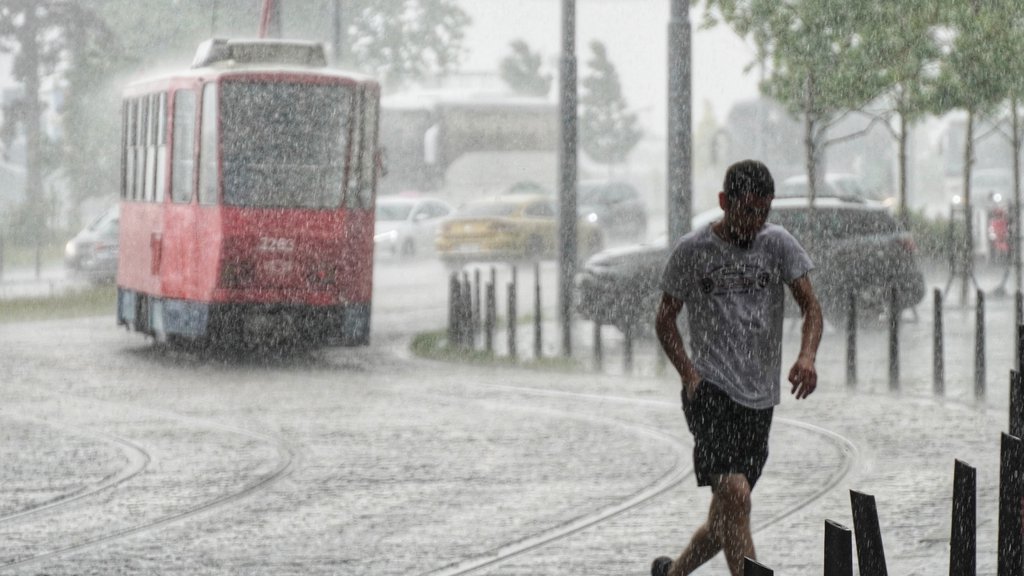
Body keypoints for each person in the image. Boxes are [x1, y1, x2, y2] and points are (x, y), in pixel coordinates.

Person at [650, 160, 823, 576]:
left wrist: (807, 356)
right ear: (724, 202)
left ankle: (671, 574)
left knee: (726, 516)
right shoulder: (694, 250)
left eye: (763, 212)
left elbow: (811, 307)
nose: (754, 222)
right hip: (710, 390)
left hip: (759, 399)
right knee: (735, 494)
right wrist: (690, 375)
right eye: (746, 211)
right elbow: (665, 318)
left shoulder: (778, 244)